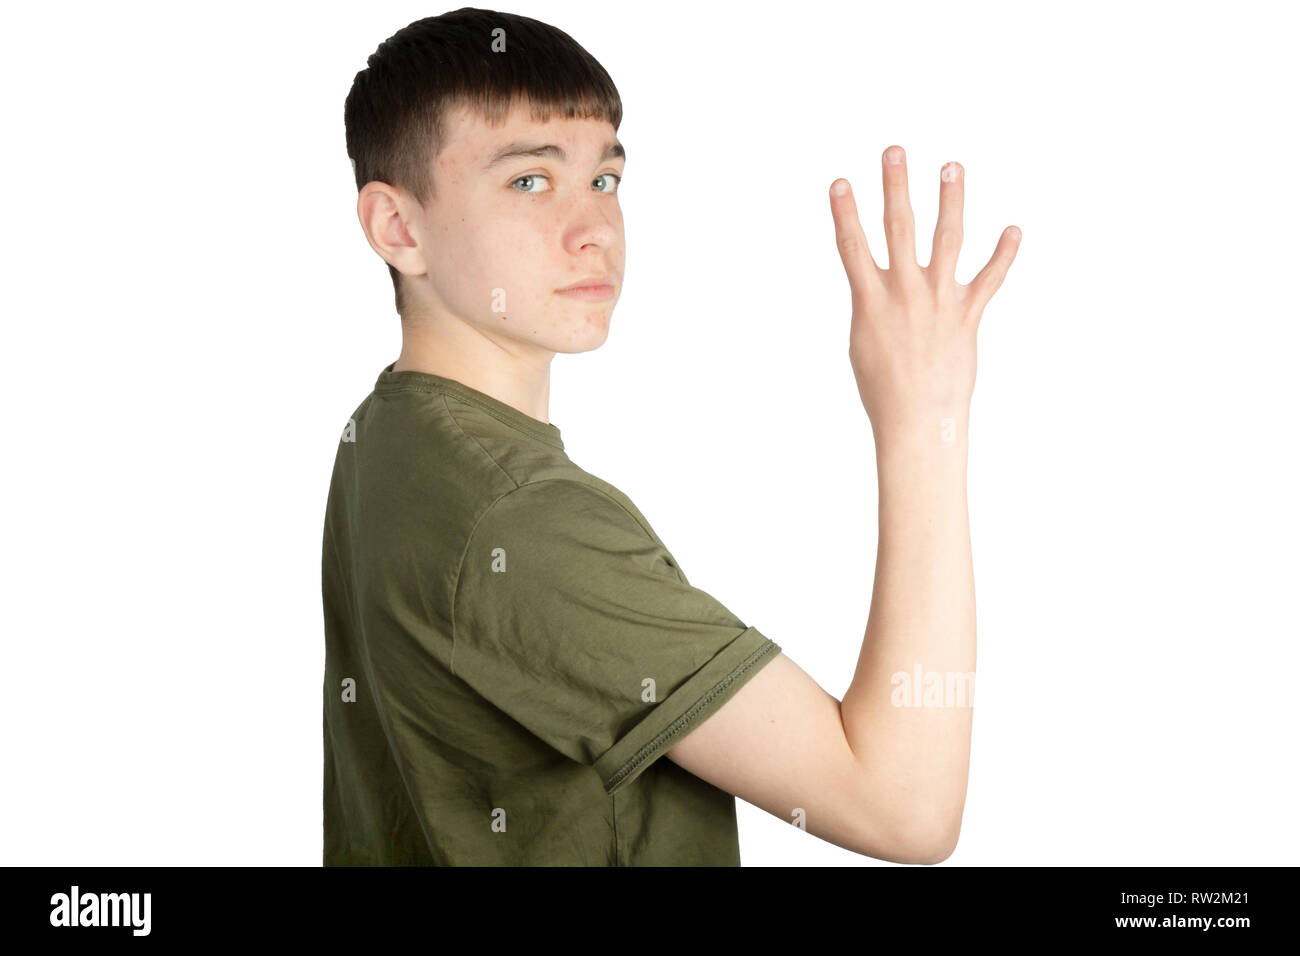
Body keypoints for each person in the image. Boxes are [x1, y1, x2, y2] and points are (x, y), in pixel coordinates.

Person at [321, 7, 1020, 866]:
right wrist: (922, 414)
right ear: (399, 228)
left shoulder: (385, 433)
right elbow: (902, 808)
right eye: (529, 182)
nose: (594, 231)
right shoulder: (524, 518)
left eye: (604, 180)